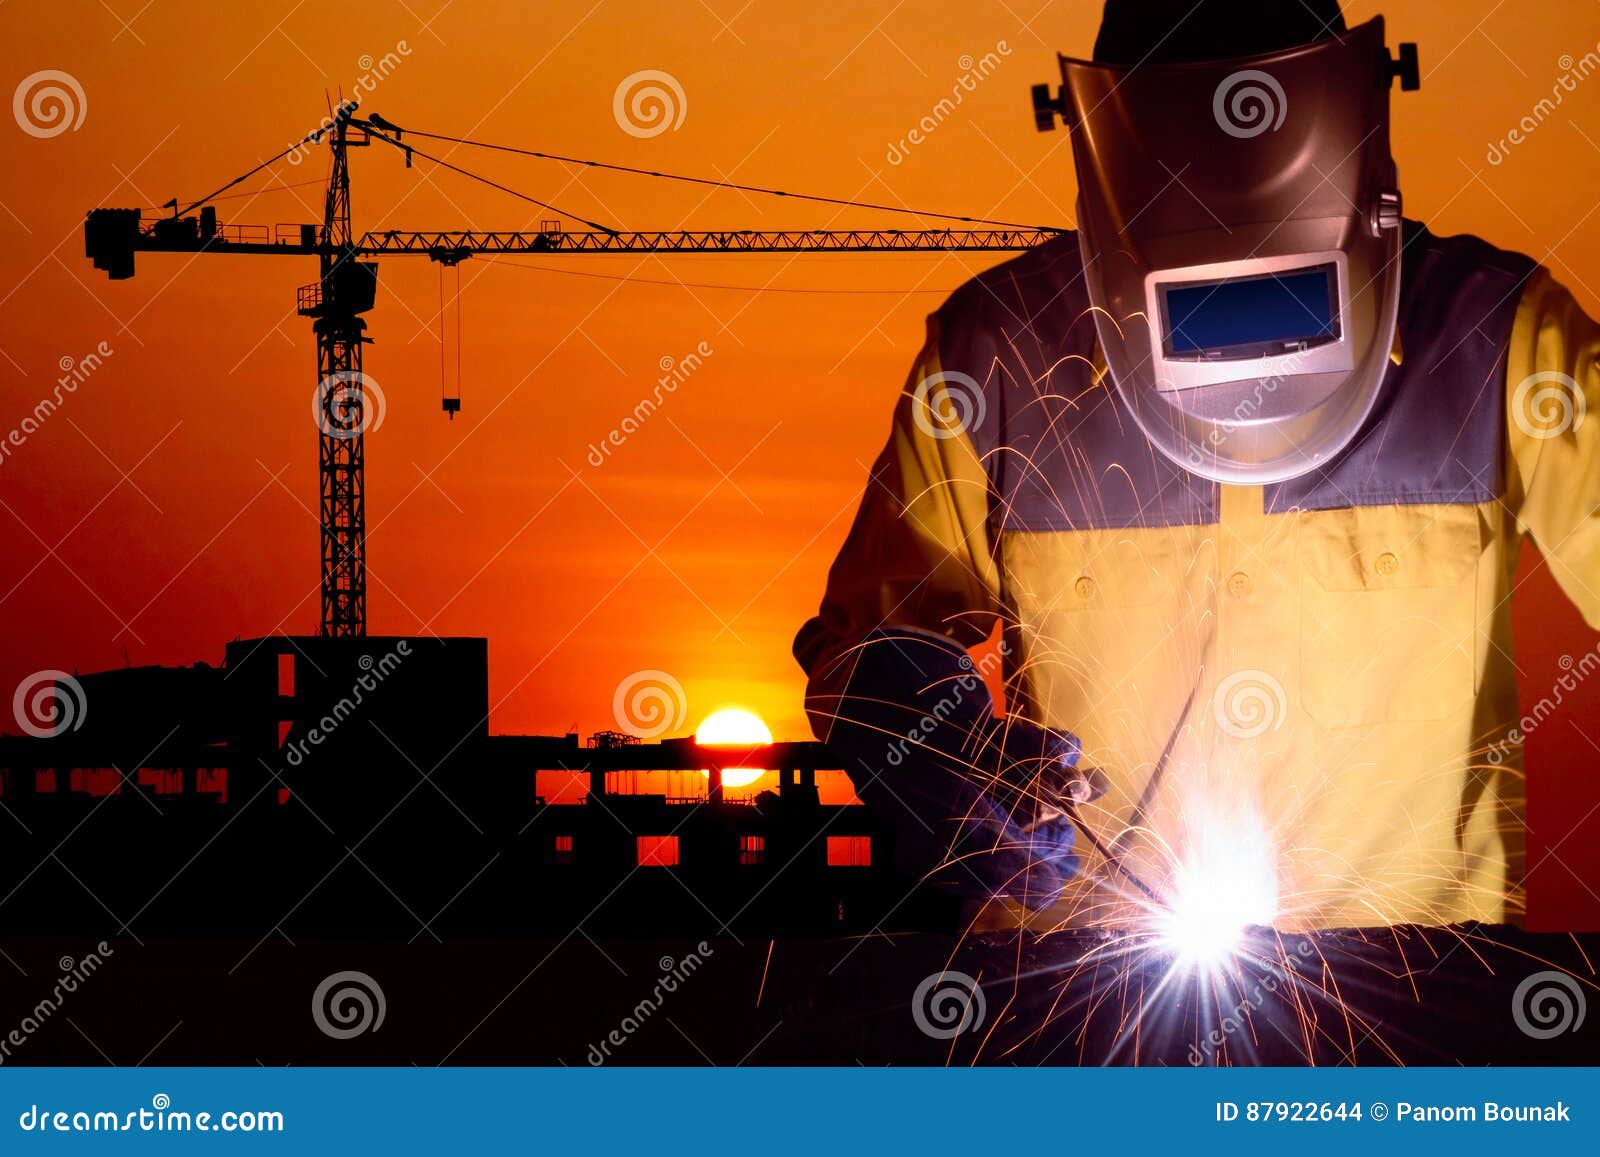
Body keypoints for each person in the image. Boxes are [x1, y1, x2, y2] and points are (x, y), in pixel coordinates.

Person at [794, 0, 1600, 932]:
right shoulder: (998, 357)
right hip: (1088, 1026)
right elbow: (872, 643)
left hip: (1411, 1025)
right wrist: (926, 741)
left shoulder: (1503, 339)